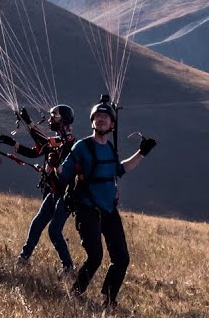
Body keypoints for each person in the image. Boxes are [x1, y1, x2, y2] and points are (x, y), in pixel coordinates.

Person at [56, 99, 156, 307]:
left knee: (121, 258)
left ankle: (109, 300)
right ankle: (75, 293)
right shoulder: (81, 147)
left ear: (112, 124)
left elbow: (120, 170)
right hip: (87, 208)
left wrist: (142, 153)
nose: (101, 120)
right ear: (92, 122)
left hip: (109, 209)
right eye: (97, 117)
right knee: (95, 257)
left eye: (106, 117)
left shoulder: (110, 148)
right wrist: (53, 162)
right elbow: (63, 173)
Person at [1, 104, 75, 274]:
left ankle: (68, 266)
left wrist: (28, 123)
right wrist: (15, 144)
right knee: (37, 224)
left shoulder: (70, 141)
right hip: (54, 191)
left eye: (54, 116)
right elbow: (35, 152)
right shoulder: (56, 140)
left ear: (63, 119)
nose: (50, 119)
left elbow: (46, 142)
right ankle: (23, 257)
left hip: (67, 195)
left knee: (54, 231)